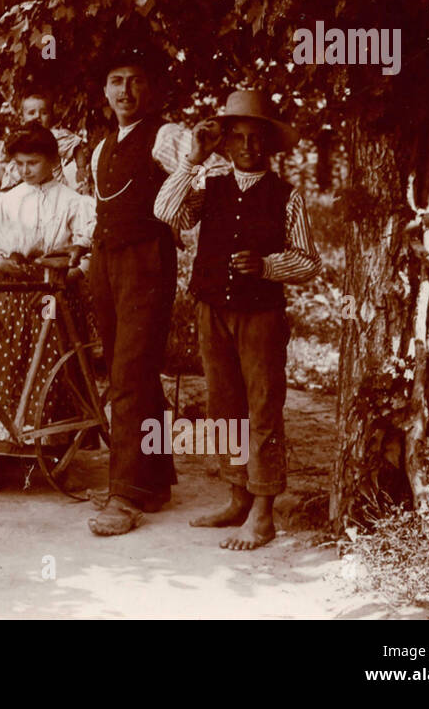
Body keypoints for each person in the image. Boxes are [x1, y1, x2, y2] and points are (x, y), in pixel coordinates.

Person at [154, 90, 320, 550]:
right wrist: (194, 158)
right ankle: (237, 497)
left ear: (268, 144)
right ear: (225, 142)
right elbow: (164, 211)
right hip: (213, 309)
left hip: (262, 315)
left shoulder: (287, 196)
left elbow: (308, 260)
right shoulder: (209, 185)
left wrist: (268, 267)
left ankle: (264, 512)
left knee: (263, 406)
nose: (247, 147)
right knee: (224, 405)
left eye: (256, 139)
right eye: (238, 138)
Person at [86, 55, 225, 536]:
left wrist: (198, 193)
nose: (125, 92)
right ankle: (157, 479)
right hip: (104, 261)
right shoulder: (101, 146)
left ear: (151, 89)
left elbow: (210, 171)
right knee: (132, 372)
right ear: (105, 90)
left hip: (147, 260)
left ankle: (124, 496)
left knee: (128, 373)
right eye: (116, 81)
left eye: (135, 82)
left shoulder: (166, 136)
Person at [0, 124, 93, 492]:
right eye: (20, 163)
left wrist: (70, 272)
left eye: (33, 163)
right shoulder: (6, 201)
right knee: (4, 372)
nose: (25, 170)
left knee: (52, 371)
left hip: (53, 294)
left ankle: (55, 458)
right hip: (13, 294)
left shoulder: (73, 203)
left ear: (54, 161)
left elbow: (86, 252)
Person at [2, 86, 91, 194]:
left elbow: (76, 147)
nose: (37, 117)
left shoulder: (56, 135)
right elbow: (7, 157)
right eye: (31, 113)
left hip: (53, 187)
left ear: (51, 115)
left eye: (44, 112)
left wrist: (81, 168)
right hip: (23, 183)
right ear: (22, 116)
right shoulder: (19, 137)